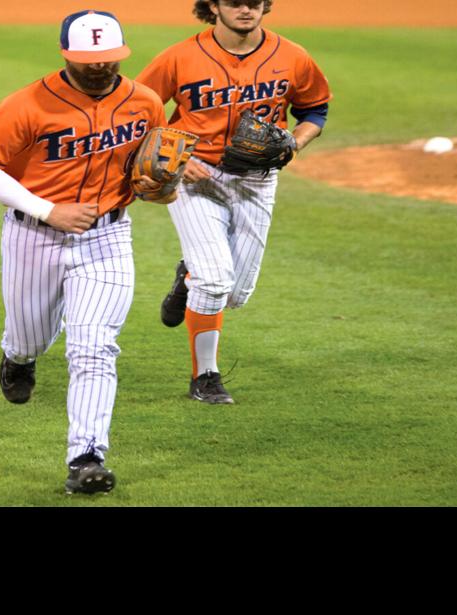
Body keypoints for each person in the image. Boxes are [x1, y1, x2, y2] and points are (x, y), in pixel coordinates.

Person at [0, 10, 176, 494]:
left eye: (109, 59)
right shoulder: (27, 104)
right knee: (30, 336)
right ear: (66, 55)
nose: (101, 68)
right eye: (89, 61)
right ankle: (17, 357)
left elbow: (154, 163)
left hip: (108, 238)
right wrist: (46, 209)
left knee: (93, 347)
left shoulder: (143, 101)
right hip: (32, 237)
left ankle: (86, 457)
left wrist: (158, 185)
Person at [136, 0, 332, 404]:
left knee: (234, 294)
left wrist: (295, 144)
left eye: (254, 2)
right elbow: (138, 112)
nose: (246, 10)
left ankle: (187, 278)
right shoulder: (179, 57)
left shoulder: (293, 56)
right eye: (235, 2)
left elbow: (314, 109)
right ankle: (205, 377)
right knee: (214, 281)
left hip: (258, 180)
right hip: (196, 177)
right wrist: (178, 158)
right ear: (213, 6)